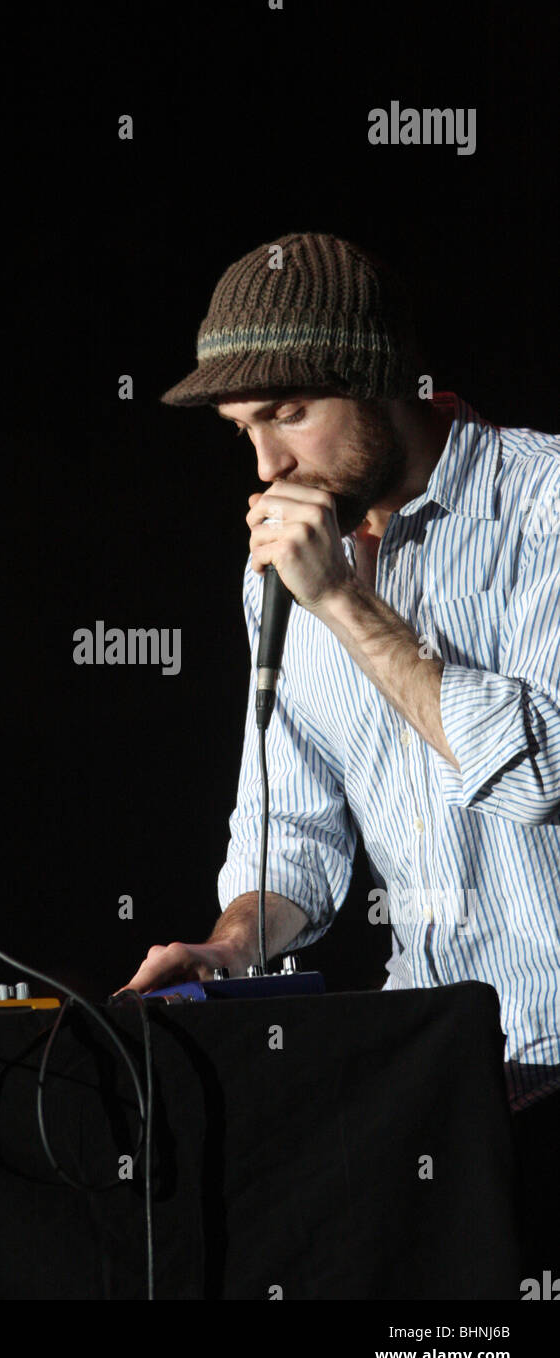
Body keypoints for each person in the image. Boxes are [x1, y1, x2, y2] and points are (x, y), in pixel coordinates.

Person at [117, 232, 560, 1274]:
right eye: (242, 430)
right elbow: (295, 839)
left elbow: (541, 775)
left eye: (287, 413)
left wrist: (345, 605)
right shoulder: (278, 575)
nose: (266, 467)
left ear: (379, 378)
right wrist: (229, 948)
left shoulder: (544, 508)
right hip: (445, 1086)